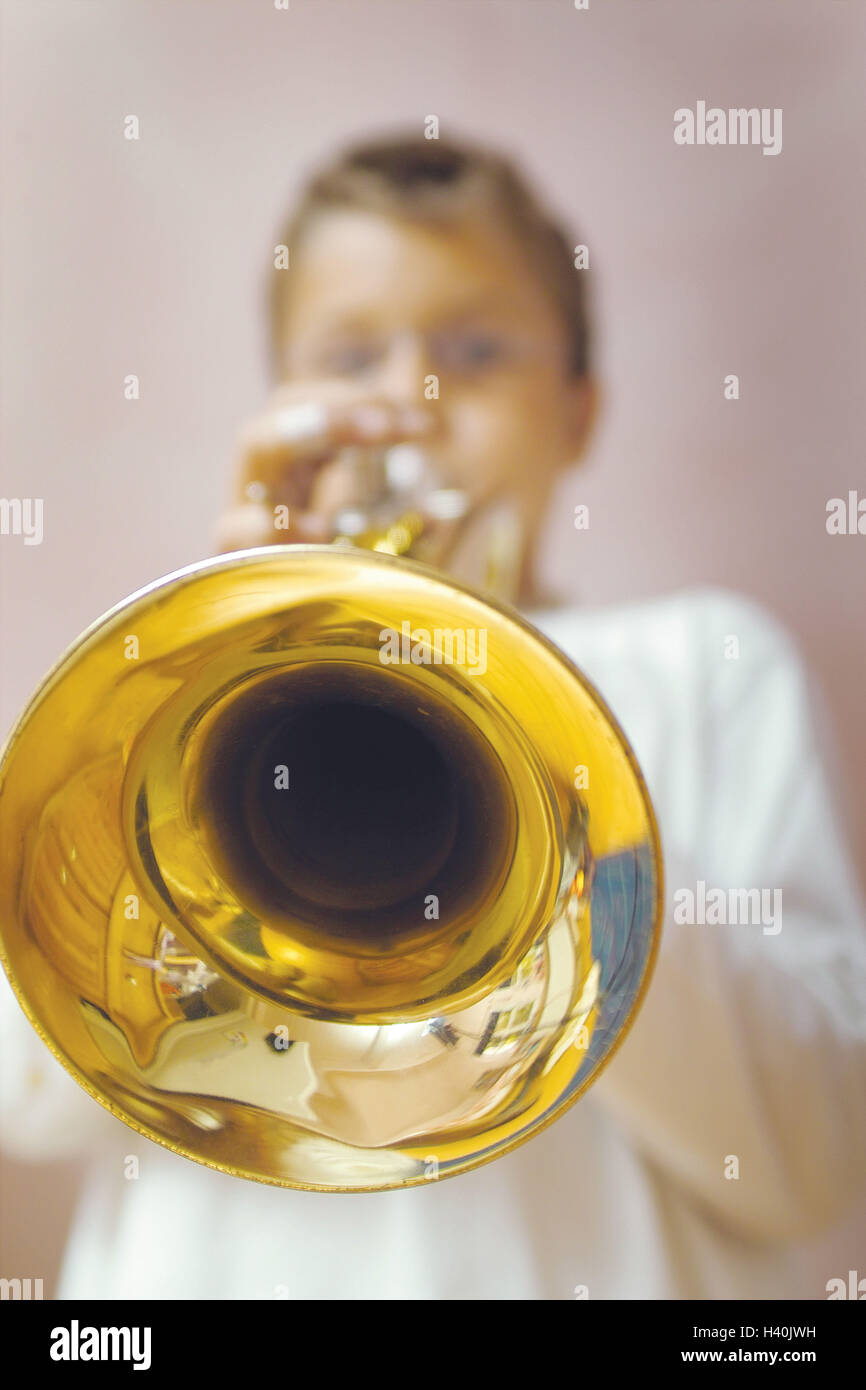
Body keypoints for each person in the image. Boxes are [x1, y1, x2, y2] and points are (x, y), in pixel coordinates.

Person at [2, 134, 865, 1300]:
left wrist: (551, 753)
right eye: (351, 353)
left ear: (576, 411)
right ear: (282, 408)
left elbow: (810, 1156)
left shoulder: (701, 665)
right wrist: (214, 649)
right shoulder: (171, 693)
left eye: (475, 350)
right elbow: (28, 1093)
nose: (411, 398)